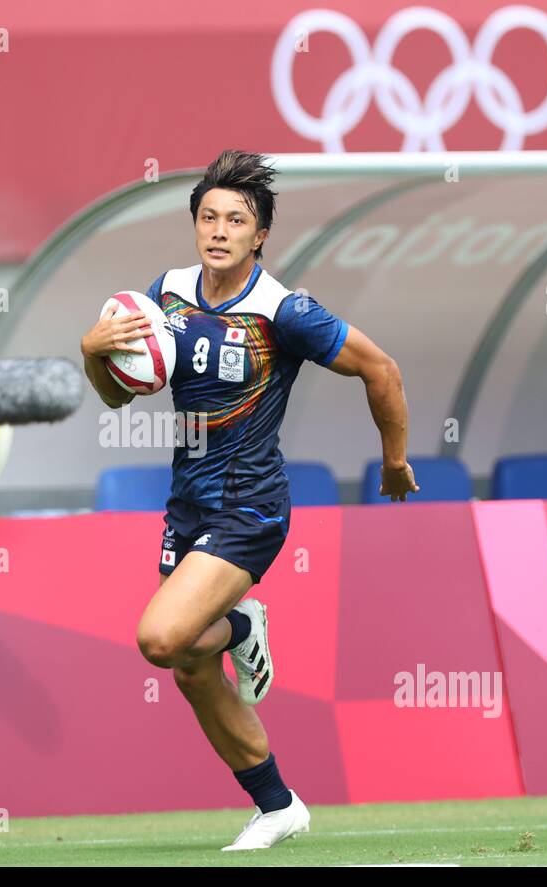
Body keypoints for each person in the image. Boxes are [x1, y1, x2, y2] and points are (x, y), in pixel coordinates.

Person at [79, 150, 417, 850]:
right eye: (208, 217)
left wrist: (393, 460)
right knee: (190, 668)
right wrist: (93, 352)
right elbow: (124, 390)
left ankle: (240, 627)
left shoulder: (283, 311)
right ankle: (277, 805)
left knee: (159, 639)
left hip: (250, 503)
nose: (219, 230)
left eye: (236, 219)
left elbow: (380, 368)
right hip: (189, 503)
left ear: (260, 235)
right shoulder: (164, 294)